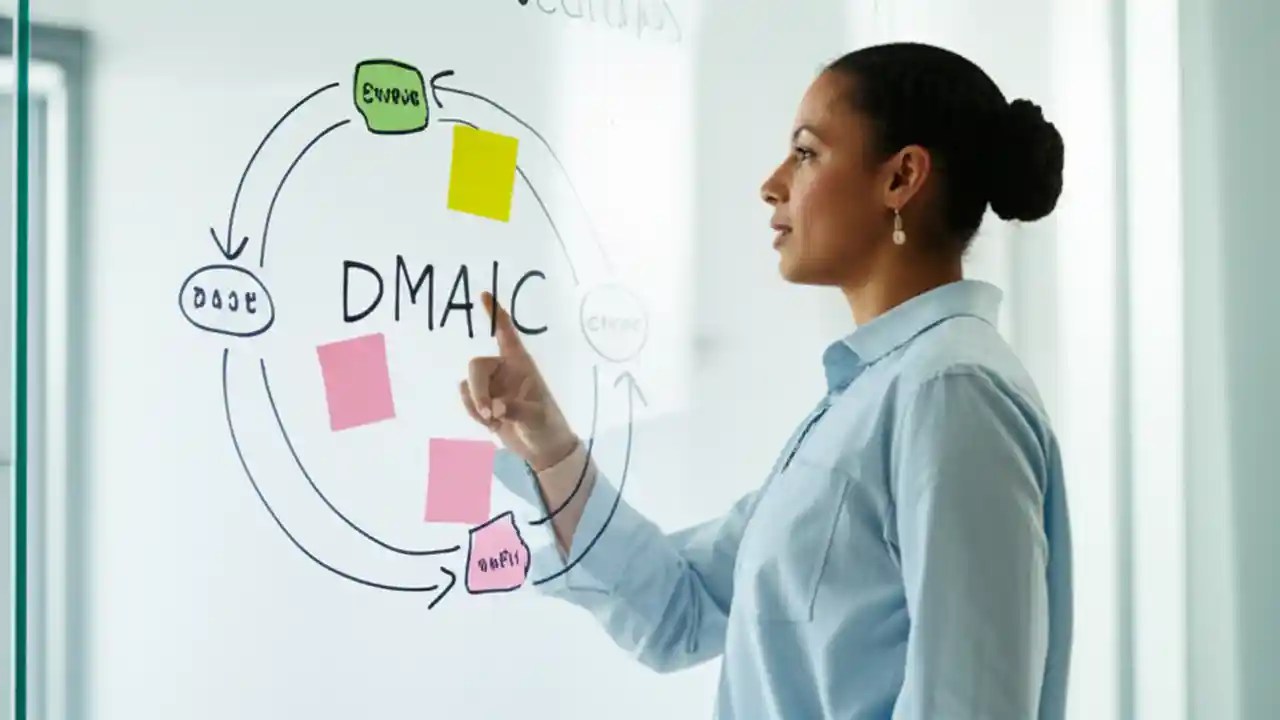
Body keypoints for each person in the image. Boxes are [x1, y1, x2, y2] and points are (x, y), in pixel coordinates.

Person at [460, 41, 1072, 720]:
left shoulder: (950, 390)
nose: (772, 184)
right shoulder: (872, 396)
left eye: (806, 153)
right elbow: (681, 608)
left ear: (901, 178)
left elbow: (971, 705)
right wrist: (548, 446)